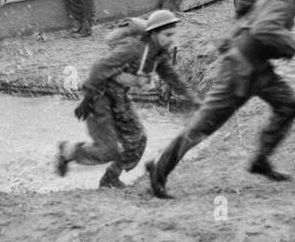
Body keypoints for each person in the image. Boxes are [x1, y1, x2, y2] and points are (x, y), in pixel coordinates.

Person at [144, 0, 295, 199]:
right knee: (204, 125)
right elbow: (265, 29)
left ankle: (260, 160)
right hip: (238, 70)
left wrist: (240, 25)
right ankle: (159, 171)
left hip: (257, 66)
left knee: (288, 105)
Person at [55, 10, 200, 189]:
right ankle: (68, 151)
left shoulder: (159, 54)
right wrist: (88, 99)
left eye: (173, 34)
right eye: (167, 34)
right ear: (154, 33)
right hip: (99, 97)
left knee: (137, 140)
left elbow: (172, 78)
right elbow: (99, 68)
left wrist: (195, 100)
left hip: (119, 97)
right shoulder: (133, 47)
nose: (171, 39)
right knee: (108, 149)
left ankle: (110, 178)